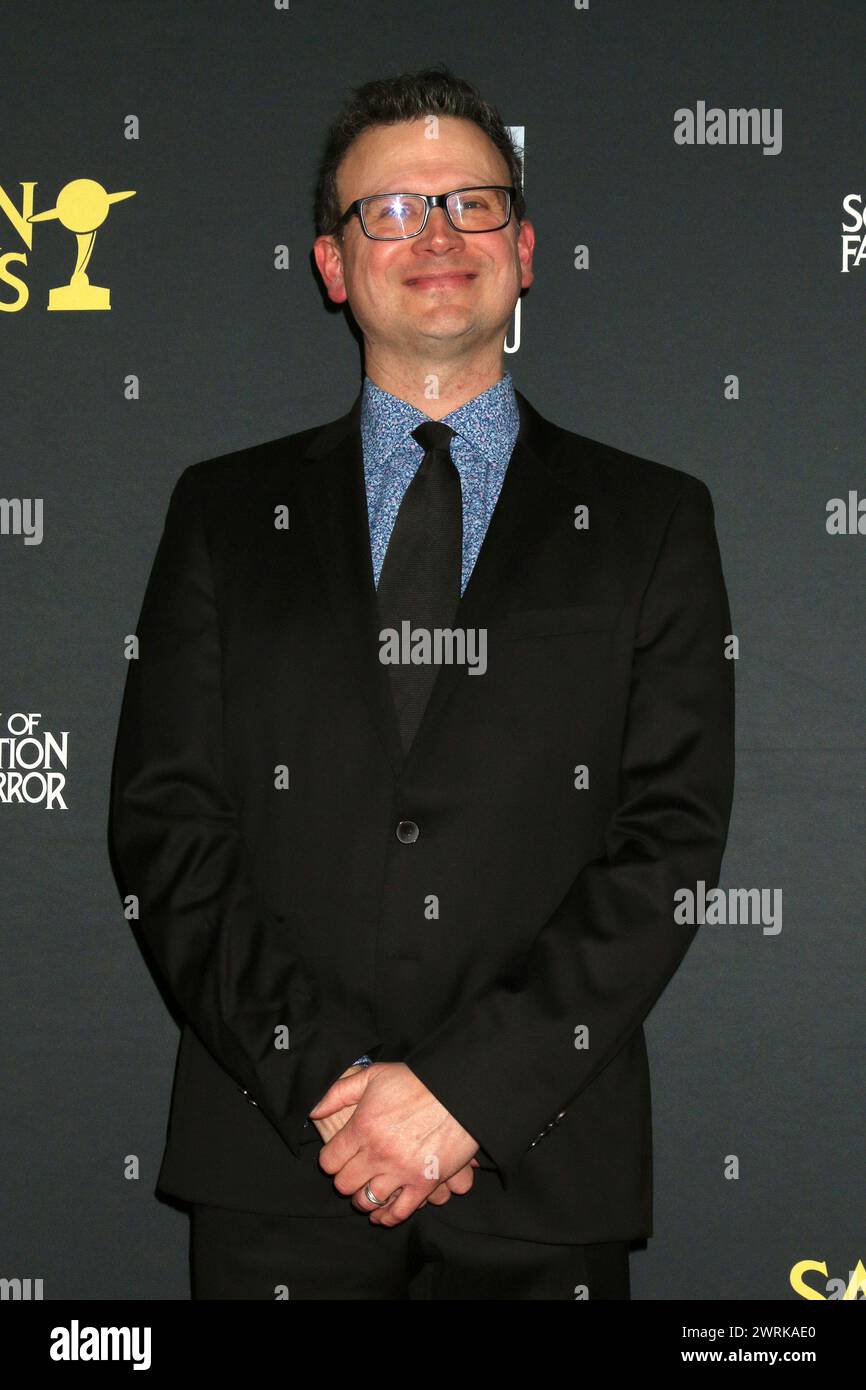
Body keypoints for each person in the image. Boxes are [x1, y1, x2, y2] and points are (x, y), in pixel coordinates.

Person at [109, 65, 735, 1300]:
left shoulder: (654, 520)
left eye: (471, 203)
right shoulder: (222, 516)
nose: (436, 236)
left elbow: (667, 842)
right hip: (280, 1164)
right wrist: (336, 1095)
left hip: (540, 1167)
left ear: (528, 248)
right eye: (389, 211)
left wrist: (465, 1097)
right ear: (332, 265)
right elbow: (167, 828)